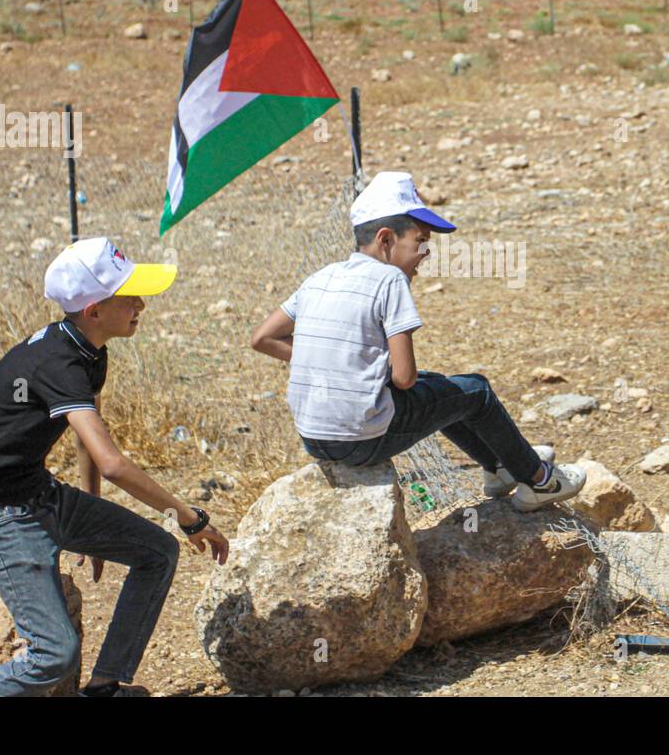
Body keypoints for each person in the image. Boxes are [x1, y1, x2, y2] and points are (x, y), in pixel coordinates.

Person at [0, 237, 229, 696]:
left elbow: (84, 437)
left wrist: (90, 524)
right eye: (129, 296)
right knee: (53, 656)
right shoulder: (58, 363)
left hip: (38, 495)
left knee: (157, 554)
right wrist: (187, 514)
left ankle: (103, 688)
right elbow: (112, 462)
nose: (141, 304)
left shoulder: (87, 349)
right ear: (94, 310)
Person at [250, 171, 585, 510]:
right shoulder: (390, 279)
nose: (425, 253)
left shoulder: (320, 277)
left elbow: (263, 338)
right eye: (420, 242)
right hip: (364, 439)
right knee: (475, 392)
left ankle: (501, 467)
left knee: (439, 388)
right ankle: (540, 480)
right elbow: (404, 378)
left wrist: (331, 362)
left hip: (314, 438)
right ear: (385, 239)